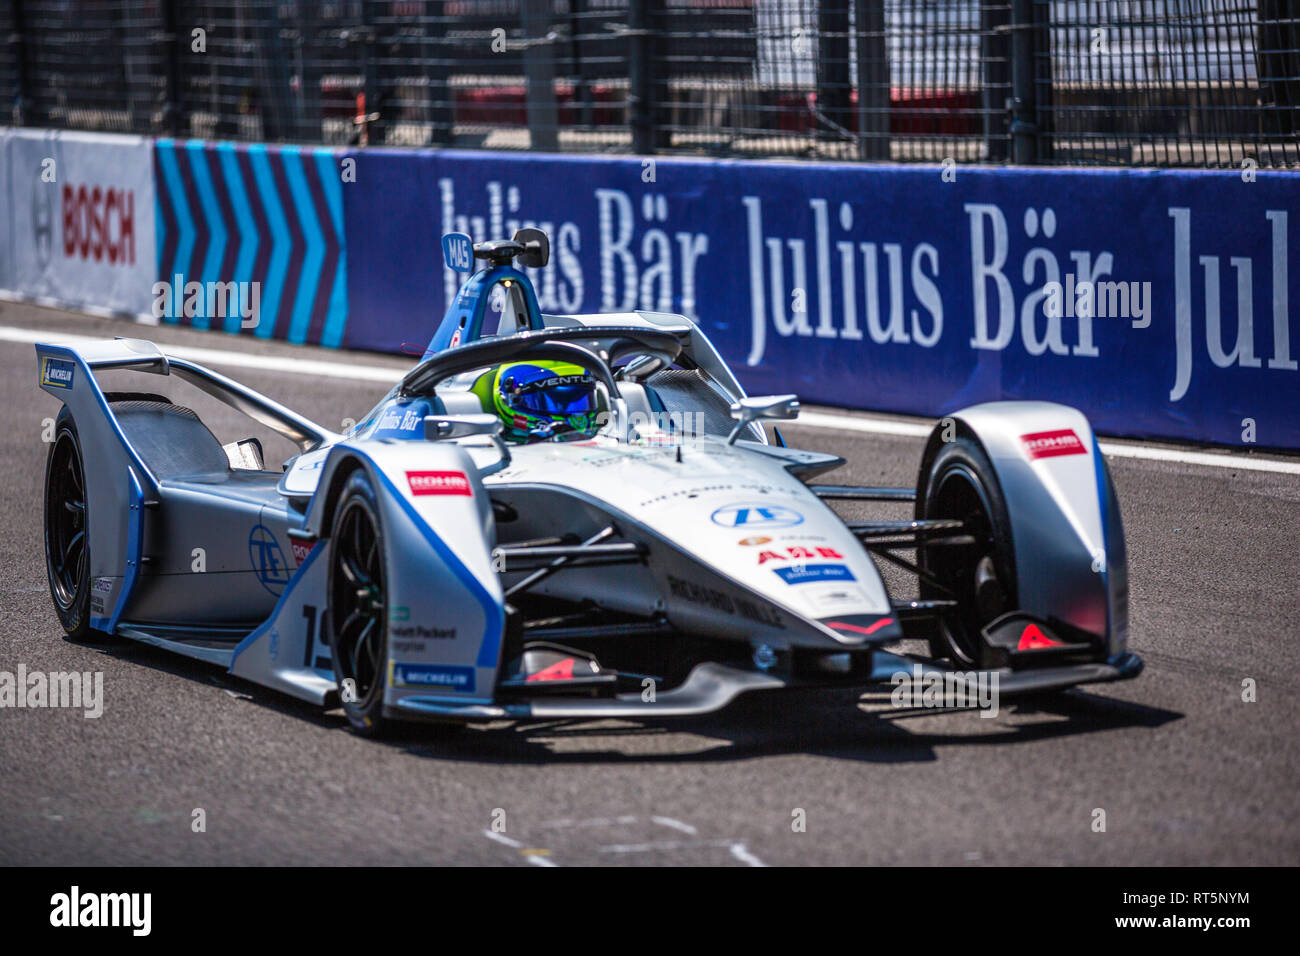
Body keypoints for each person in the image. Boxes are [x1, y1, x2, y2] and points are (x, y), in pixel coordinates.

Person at [469, 360, 602, 443]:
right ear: (511, 400)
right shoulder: (491, 454)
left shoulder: (607, 436)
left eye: (579, 398)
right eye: (549, 401)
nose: (572, 415)